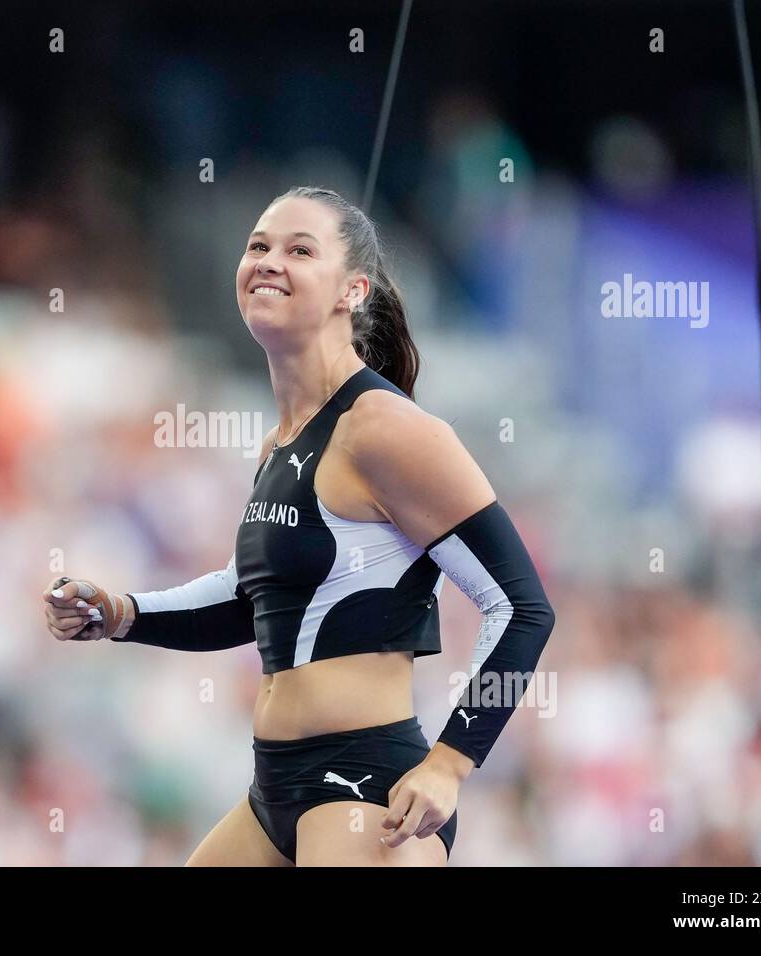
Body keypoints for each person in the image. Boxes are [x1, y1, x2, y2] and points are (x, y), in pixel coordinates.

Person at [42, 186, 555, 866]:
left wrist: (451, 764)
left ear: (352, 290)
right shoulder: (280, 444)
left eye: (298, 250)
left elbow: (522, 606)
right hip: (273, 789)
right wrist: (123, 612)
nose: (267, 261)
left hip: (366, 788)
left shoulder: (386, 429)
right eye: (257, 246)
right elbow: (245, 602)